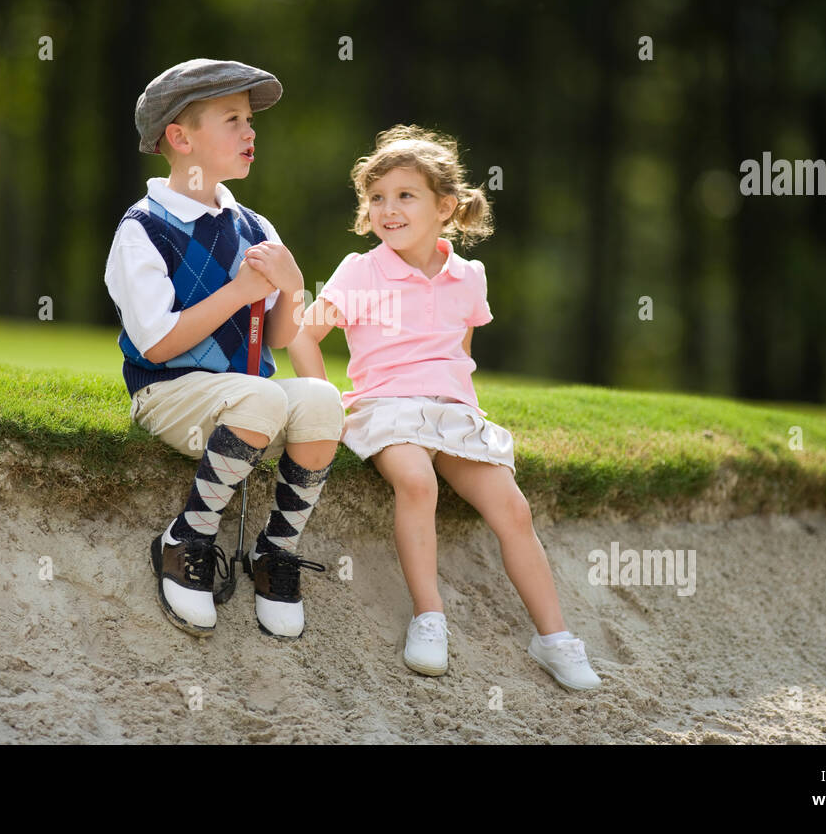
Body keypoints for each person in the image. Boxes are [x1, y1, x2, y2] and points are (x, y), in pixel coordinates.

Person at [288, 125, 601, 690]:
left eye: (405, 196)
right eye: (377, 197)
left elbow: (460, 355)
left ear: (445, 206)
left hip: (451, 410)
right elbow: (304, 338)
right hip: (385, 406)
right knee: (416, 481)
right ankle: (429, 619)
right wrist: (323, 403)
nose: (388, 209)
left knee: (513, 509)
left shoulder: (469, 276)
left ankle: (554, 637)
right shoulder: (362, 269)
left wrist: (461, 420)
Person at [106, 59, 343, 640]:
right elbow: (157, 344)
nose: (251, 131)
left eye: (250, 119)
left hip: (243, 399)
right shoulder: (143, 227)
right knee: (260, 398)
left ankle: (274, 550)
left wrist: (292, 284)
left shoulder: (255, 225)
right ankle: (187, 535)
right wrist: (240, 291)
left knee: (321, 400)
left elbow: (283, 336)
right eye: (233, 119)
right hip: (169, 395)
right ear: (181, 139)